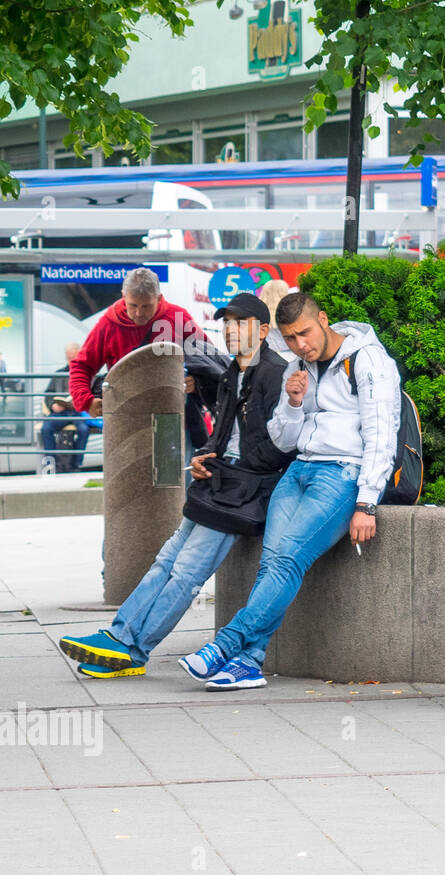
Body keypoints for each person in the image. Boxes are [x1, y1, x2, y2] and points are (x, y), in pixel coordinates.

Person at [57, 294, 295, 678]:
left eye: (240, 324)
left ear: (263, 330)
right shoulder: (231, 373)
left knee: (186, 572)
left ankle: (135, 649)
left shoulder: (276, 373)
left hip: (244, 491)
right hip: (218, 480)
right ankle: (119, 634)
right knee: (166, 559)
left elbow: (279, 445)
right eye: (227, 324)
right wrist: (205, 455)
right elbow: (222, 433)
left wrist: (231, 466)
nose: (231, 331)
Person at [178, 292, 401, 691]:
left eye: (305, 333)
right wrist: (294, 403)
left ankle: (223, 646)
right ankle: (249, 663)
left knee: (285, 561)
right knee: (271, 565)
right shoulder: (297, 367)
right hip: (299, 470)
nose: (300, 345)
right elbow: (282, 439)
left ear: (323, 319)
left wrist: (367, 501)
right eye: (291, 338)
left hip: (341, 474)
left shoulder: (367, 360)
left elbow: (382, 433)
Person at [68, 267, 226, 452]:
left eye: (146, 306)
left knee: (175, 469)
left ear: (158, 299)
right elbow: (82, 366)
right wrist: (86, 401)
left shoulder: (178, 317)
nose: (138, 313)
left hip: (174, 421)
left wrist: (196, 382)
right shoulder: (108, 324)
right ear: (123, 296)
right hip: (127, 420)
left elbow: (209, 360)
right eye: (133, 305)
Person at [39, 343, 92, 473]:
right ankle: (51, 463)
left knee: (84, 430)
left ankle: (76, 464)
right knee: (46, 428)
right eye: (69, 358)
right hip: (60, 413)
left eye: (74, 357)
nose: (71, 361)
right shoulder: (58, 374)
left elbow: (92, 394)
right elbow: (48, 393)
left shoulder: (87, 373)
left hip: (78, 412)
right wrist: (53, 405)